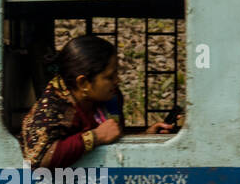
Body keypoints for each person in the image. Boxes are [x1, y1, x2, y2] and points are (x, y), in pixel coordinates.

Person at [21, 35, 174, 168]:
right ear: (83, 83)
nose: (117, 81)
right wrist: (95, 137)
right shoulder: (53, 108)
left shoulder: (108, 99)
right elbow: (40, 158)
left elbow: (111, 137)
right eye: (109, 77)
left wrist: (146, 137)